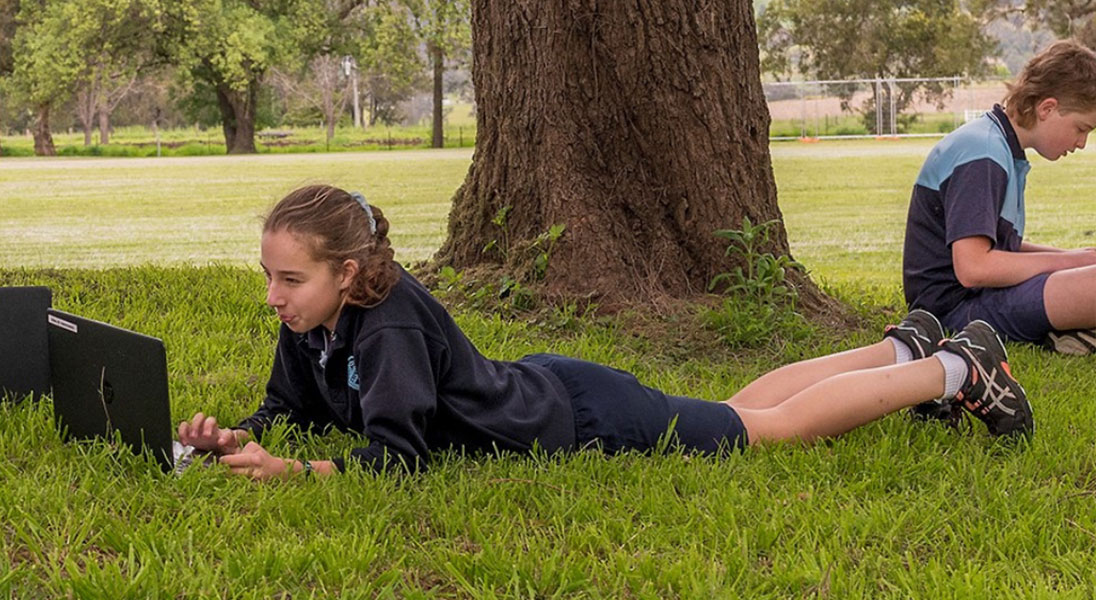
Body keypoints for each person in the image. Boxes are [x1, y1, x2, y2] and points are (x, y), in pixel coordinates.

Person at [181, 185, 1033, 480]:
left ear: (346, 271)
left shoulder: (386, 325)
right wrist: (233, 440)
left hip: (579, 416)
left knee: (766, 430)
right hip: (554, 388)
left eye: (289, 279)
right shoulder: (312, 318)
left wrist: (296, 472)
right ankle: (901, 348)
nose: (274, 297)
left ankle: (958, 368)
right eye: (270, 277)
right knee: (738, 410)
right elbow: (287, 410)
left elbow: (399, 462)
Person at [904, 40, 1096, 360]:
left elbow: (999, 246)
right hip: (955, 314)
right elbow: (974, 268)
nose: (1081, 143)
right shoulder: (983, 153)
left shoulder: (997, 145)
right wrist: (1069, 263)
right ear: (1047, 108)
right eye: (1081, 128)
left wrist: (1078, 256)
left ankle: (1073, 328)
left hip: (979, 299)